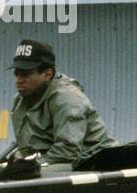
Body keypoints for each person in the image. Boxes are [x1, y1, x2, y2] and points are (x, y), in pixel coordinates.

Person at [10, 39, 115, 167]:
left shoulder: (68, 99)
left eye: (26, 74)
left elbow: (67, 152)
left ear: (48, 74)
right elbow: (28, 147)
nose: (19, 80)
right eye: (17, 74)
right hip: (60, 165)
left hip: (97, 165)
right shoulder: (21, 100)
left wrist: (26, 165)